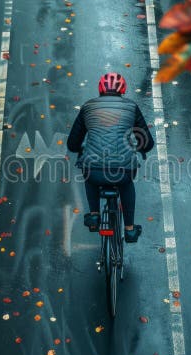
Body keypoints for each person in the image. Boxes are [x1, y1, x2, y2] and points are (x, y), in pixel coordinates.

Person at [66, 72, 154, 242]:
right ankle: (129, 230)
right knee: (126, 185)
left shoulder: (88, 107)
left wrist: (80, 149)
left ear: (100, 89)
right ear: (123, 89)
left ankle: (93, 215)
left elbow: (72, 143)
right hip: (122, 170)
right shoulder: (131, 107)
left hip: (95, 171)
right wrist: (141, 147)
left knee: (89, 173)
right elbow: (147, 142)